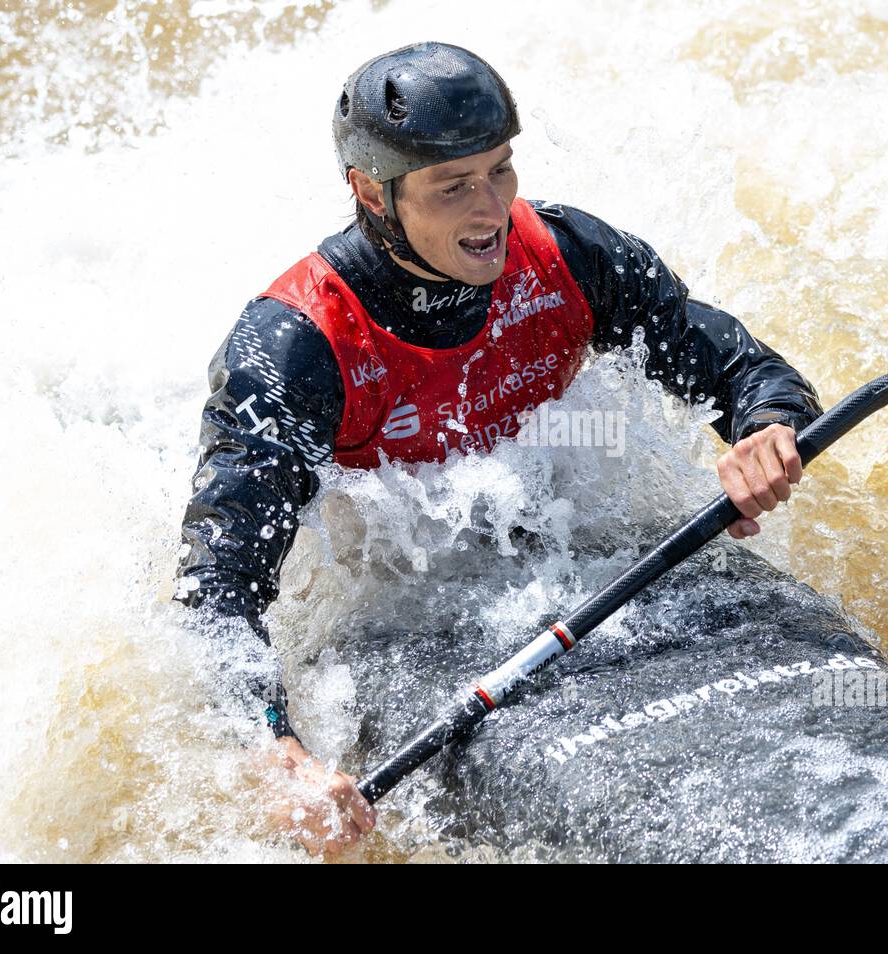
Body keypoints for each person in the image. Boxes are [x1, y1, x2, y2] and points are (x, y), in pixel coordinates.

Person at [173, 41, 823, 856]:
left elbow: (739, 364)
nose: (490, 212)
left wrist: (764, 429)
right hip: (394, 599)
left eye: (500, 171)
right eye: (454, 187)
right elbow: (217, 596)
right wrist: (275, 753)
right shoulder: (296, 347)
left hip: (554, 550)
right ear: (371, 191)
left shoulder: (567, 257)